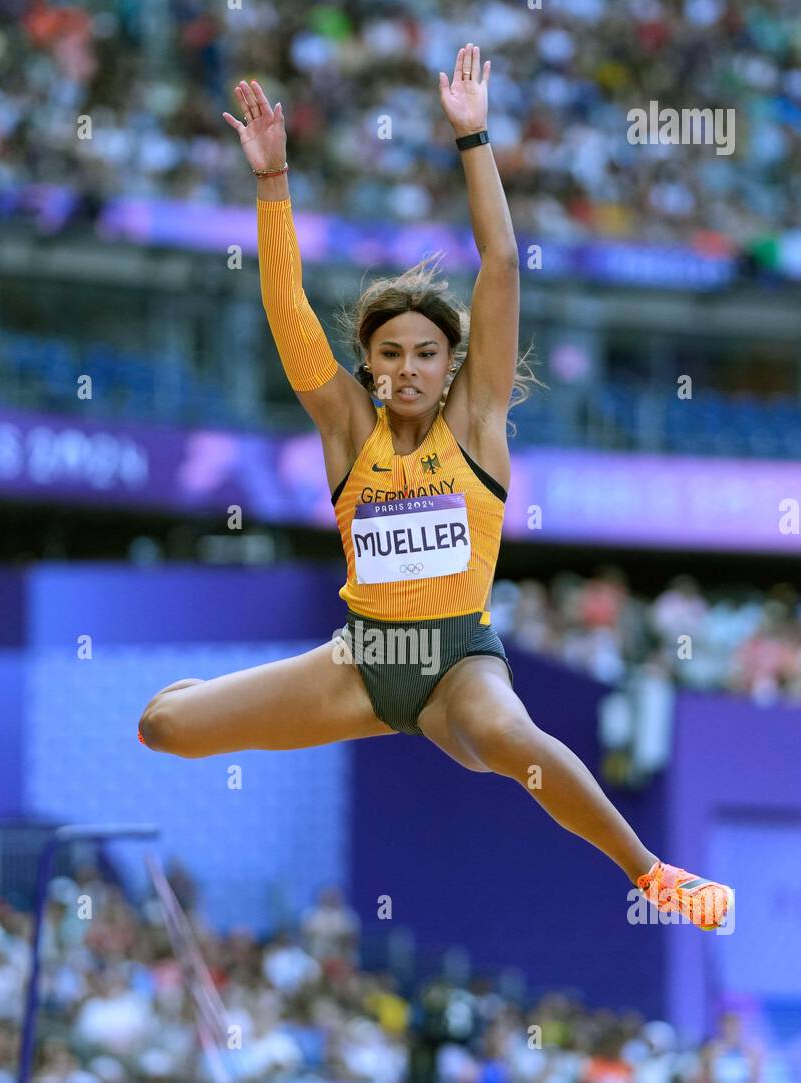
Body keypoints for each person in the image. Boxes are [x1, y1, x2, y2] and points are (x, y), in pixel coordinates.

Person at [137, 44, 732, 931]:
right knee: (162, 729)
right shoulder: (347, 431)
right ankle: (212, 691)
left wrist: (474, 137)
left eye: (425, 354)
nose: (407, 370)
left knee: (516, 745)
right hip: (360, 664)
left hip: (457, 664)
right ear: (370, 368)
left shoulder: (478, 424)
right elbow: (289, 310)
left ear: (451, 364)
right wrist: (272, 185)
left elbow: (501, 264)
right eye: (389, 355)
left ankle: (652, 875)